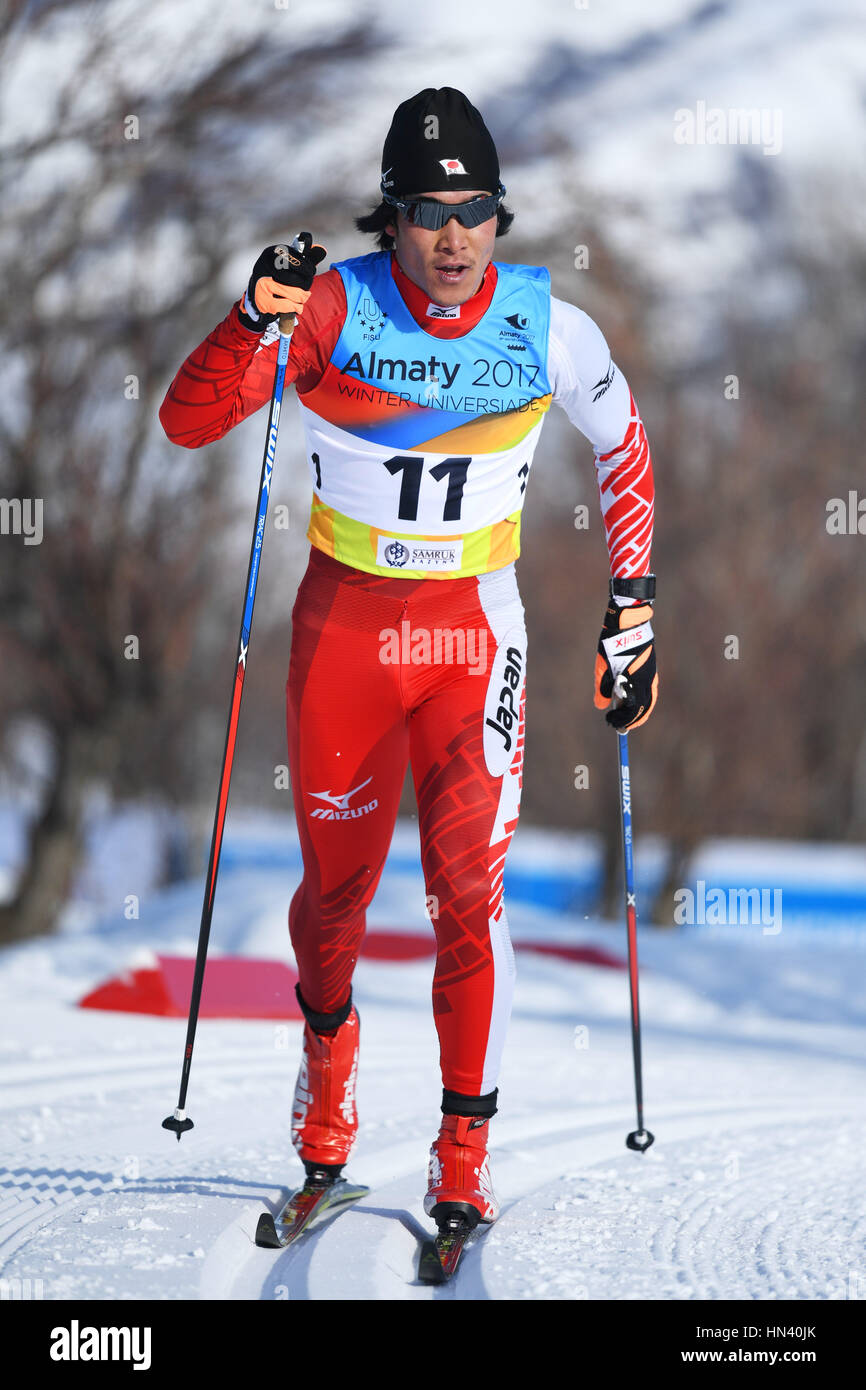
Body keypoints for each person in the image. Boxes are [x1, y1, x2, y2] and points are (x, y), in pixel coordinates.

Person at [159, 87, 657, 1235]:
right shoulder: (331, 307)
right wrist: (248, 321)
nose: (451, 237)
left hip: (472, 637)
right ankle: (325, 1123)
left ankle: (460, 1155)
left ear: (498, 217)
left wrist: (630, 602)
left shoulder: (547, 325)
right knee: (332, 899)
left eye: (474, 210)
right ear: (388, 217)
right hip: (343, 633)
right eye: (426, 211)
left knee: (465, 899)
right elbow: (190, 422)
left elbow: (623, 446)